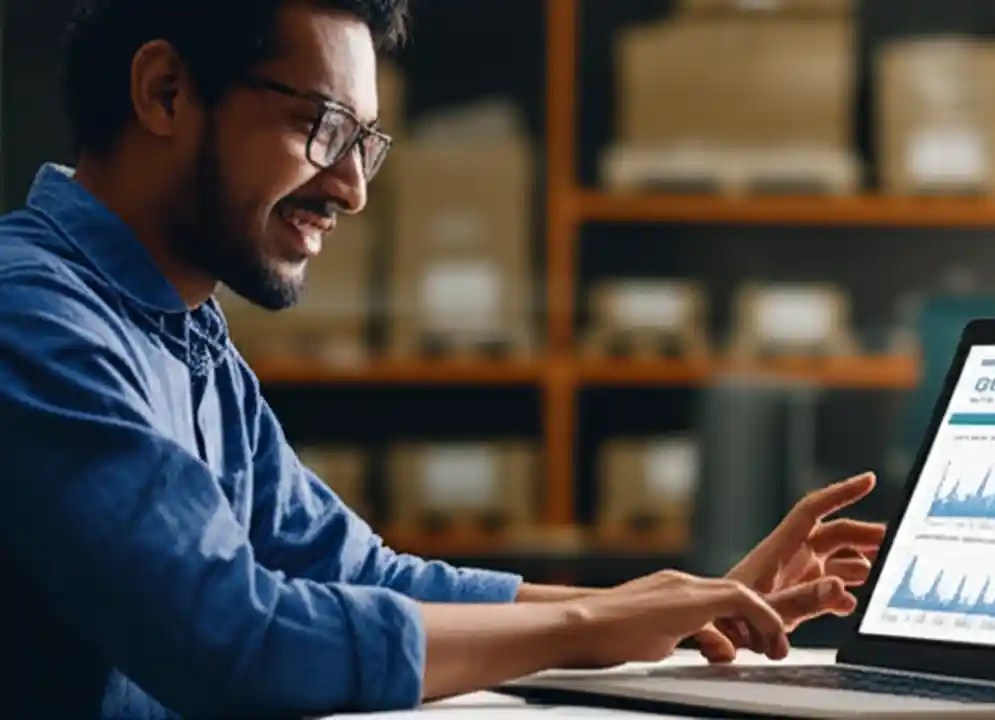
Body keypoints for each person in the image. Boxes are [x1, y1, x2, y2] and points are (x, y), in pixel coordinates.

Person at [0, 1, 887, 717]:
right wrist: (592, 622)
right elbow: (234, 638)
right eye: (322, 126)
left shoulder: (184, 334)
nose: (349, 188)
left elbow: (354, 573)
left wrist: (669, 605)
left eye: (366, 146)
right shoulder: (33, 320)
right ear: (164, 92)